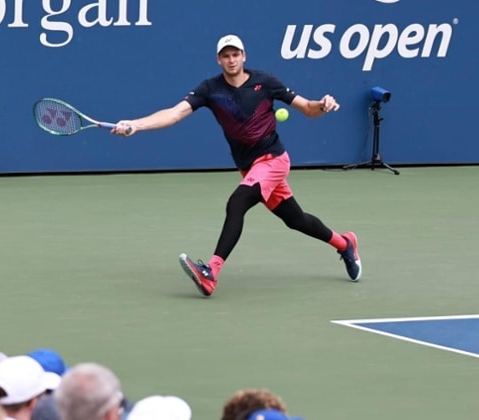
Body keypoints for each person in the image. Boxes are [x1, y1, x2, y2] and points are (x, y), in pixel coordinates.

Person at [112, 34, 359, 296]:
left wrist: (322, 105)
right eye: (226, 55)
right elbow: (174, 114)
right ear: (219, 59)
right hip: (250, 167)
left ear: (244, 56)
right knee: (296, 219)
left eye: (235, 54)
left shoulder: (266, 82)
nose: (231, 60)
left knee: (237, 203)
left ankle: (211, 273)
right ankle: (344, 243)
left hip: (273, 160)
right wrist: (136, 125)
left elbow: (309, 108)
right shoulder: (210, 89)